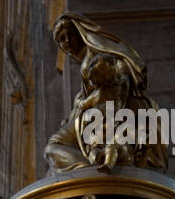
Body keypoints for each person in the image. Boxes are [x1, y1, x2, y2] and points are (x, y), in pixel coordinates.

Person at [45, 12, 168, 174]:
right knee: (52, 150)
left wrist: (100, 99)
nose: (67, 41)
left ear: (80, 33)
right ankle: (90, 167)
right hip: (91, 114)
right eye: (61, 39)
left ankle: (92, 169)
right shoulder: (86, 61)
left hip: (106, 111)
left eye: (70, 35)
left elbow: (122, 73)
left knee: (53, 148)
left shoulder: (97, 52)